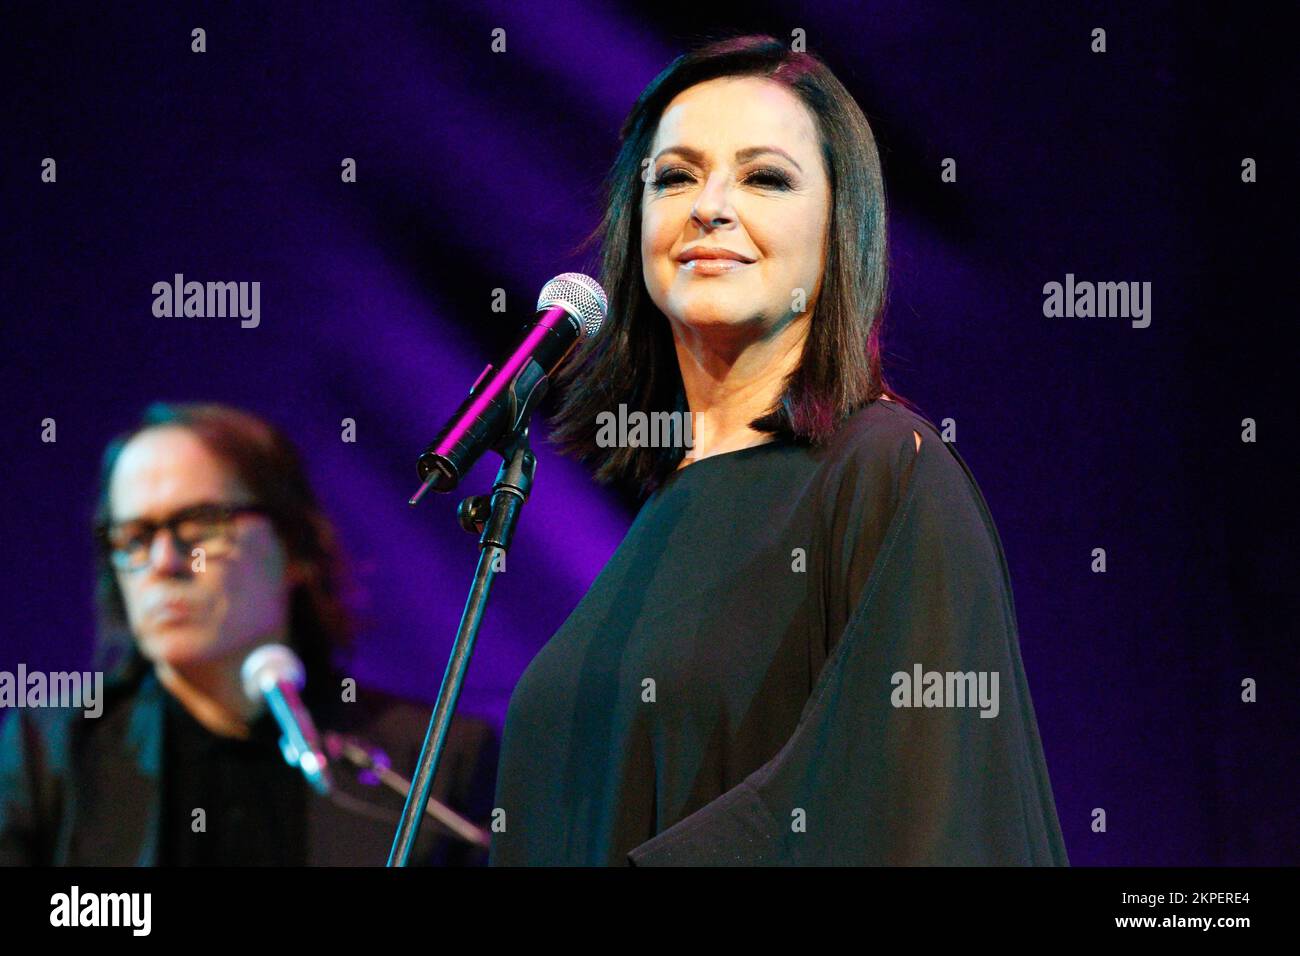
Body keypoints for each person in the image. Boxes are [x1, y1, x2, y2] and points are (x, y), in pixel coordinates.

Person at [489, 35, 1068, 865]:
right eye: (676, 176)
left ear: (841, 228)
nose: (709, 206)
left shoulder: (889, 474)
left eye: (764, 177)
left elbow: (907, 808)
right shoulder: (663, 508)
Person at [0, 402, 498, 866]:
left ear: (295, 548)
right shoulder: (51, 753)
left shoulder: (436, 760)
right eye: (133, 538)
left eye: (199, 525)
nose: (164, 562)